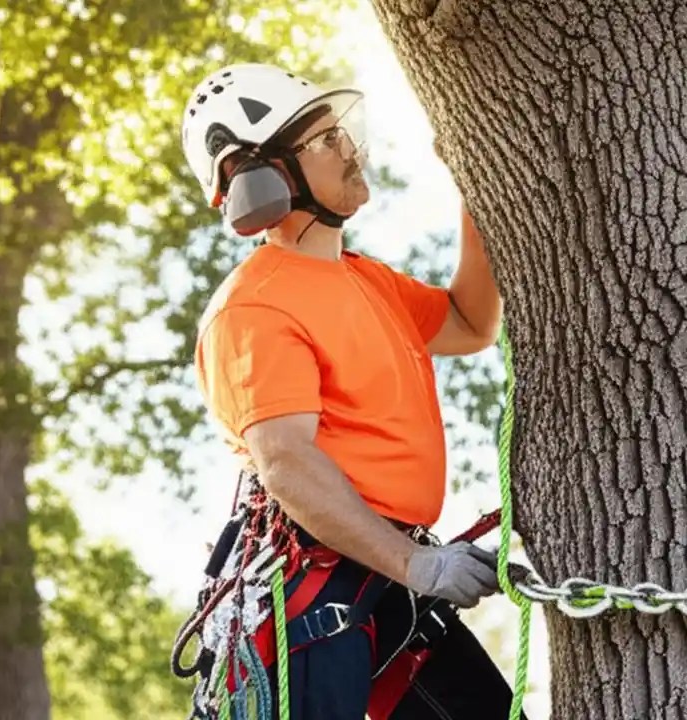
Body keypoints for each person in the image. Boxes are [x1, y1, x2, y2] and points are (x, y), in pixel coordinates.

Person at [177, 62, 521, 720]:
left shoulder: (367, 281)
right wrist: (421, 568)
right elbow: (287, 461)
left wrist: (476, 191)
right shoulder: (254, 309)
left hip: (386, 574)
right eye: (325, 140)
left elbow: (471, 322)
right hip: (321, 584)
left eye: (343, 133)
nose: (350, 150)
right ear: (264, 176)